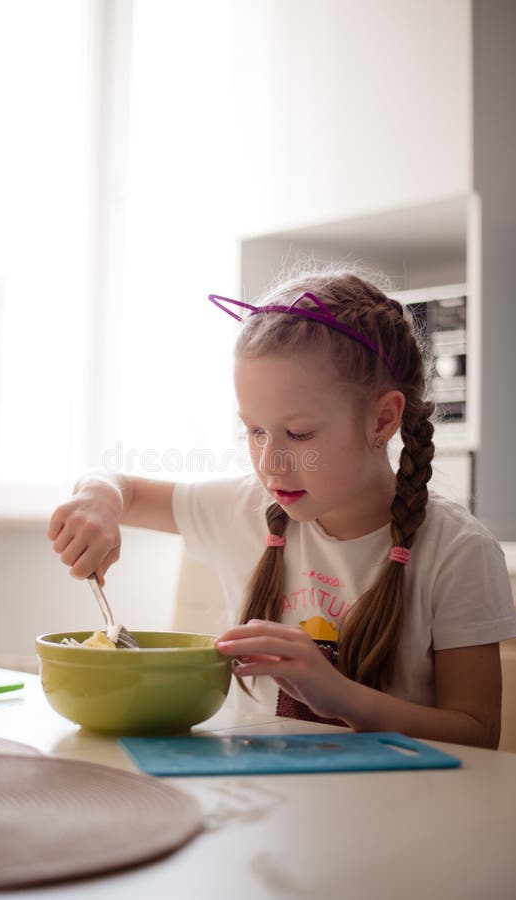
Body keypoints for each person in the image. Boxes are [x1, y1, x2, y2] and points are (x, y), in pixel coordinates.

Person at [47, 267, 516, 748]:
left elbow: (477, 733)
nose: (270, 462)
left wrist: (342, 697)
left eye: (300, 434)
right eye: (254, 430)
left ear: (382, 419)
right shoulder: (246, 508)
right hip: (258, 805)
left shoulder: (457, 551)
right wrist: (96, 500)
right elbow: (117, 486)